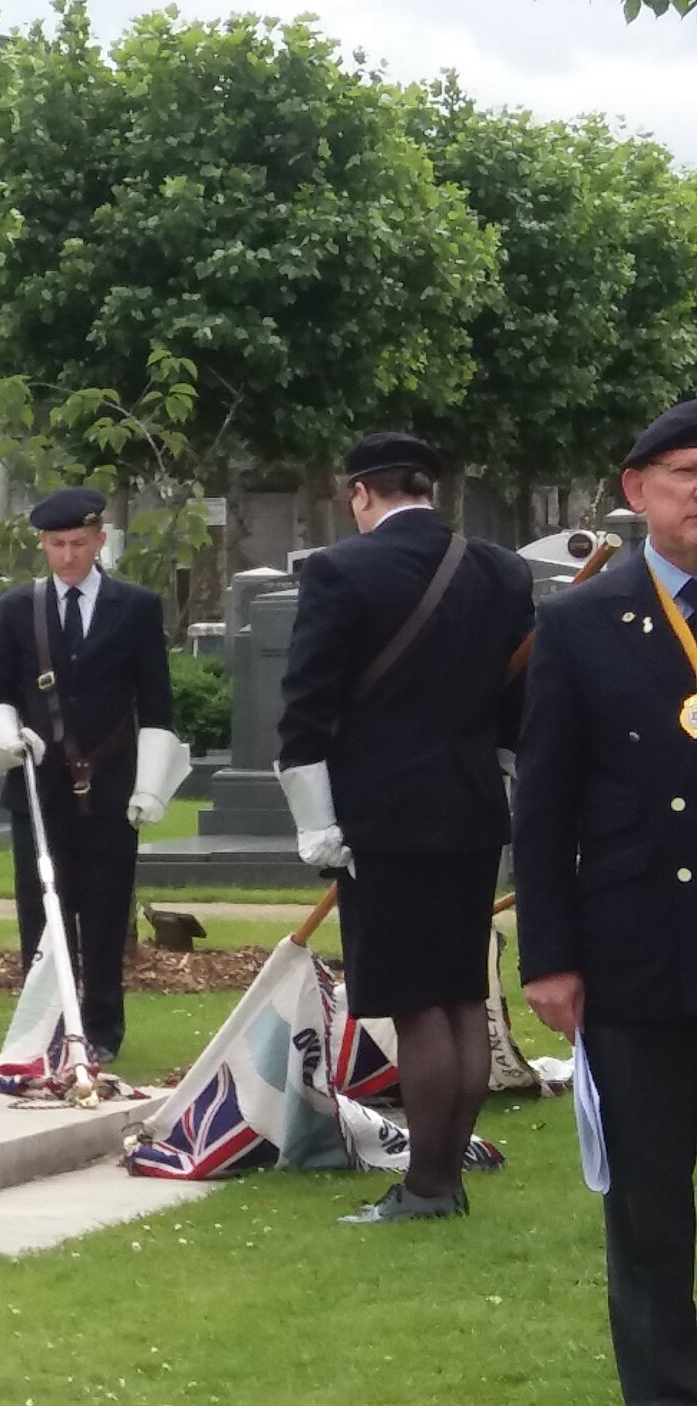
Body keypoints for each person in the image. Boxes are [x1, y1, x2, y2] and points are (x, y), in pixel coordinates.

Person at [276, 431, 534, 1226]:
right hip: (470, 809)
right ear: (429, 487)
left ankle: (426, 1187)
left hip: (382, 819)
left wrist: (316, 826)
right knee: (459, 999)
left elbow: (306, 709)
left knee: (420, 1008)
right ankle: (440, 1180)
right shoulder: (501, 569)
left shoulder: (336, 570)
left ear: (361, 494)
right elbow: (513, 706)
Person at [516, 399, 697, 1398]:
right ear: (635, 491)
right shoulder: (582, 620)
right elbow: (541, 802)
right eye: (684, 472)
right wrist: (547, 952)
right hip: (636, 949)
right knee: (649, 1208)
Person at [0, 486, 183, 1066]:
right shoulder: (20, 607)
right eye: (57, 544)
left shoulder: (136, 606)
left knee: (106, 912)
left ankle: (102, 1032)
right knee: (42, 913)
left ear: (100, 540)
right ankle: (45, 1028)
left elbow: (157, 702)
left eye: (78, 543)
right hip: (39, 786)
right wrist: (6, 729)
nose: (68, 556)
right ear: (43, 544)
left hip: (114, 784)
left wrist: (151, 785)